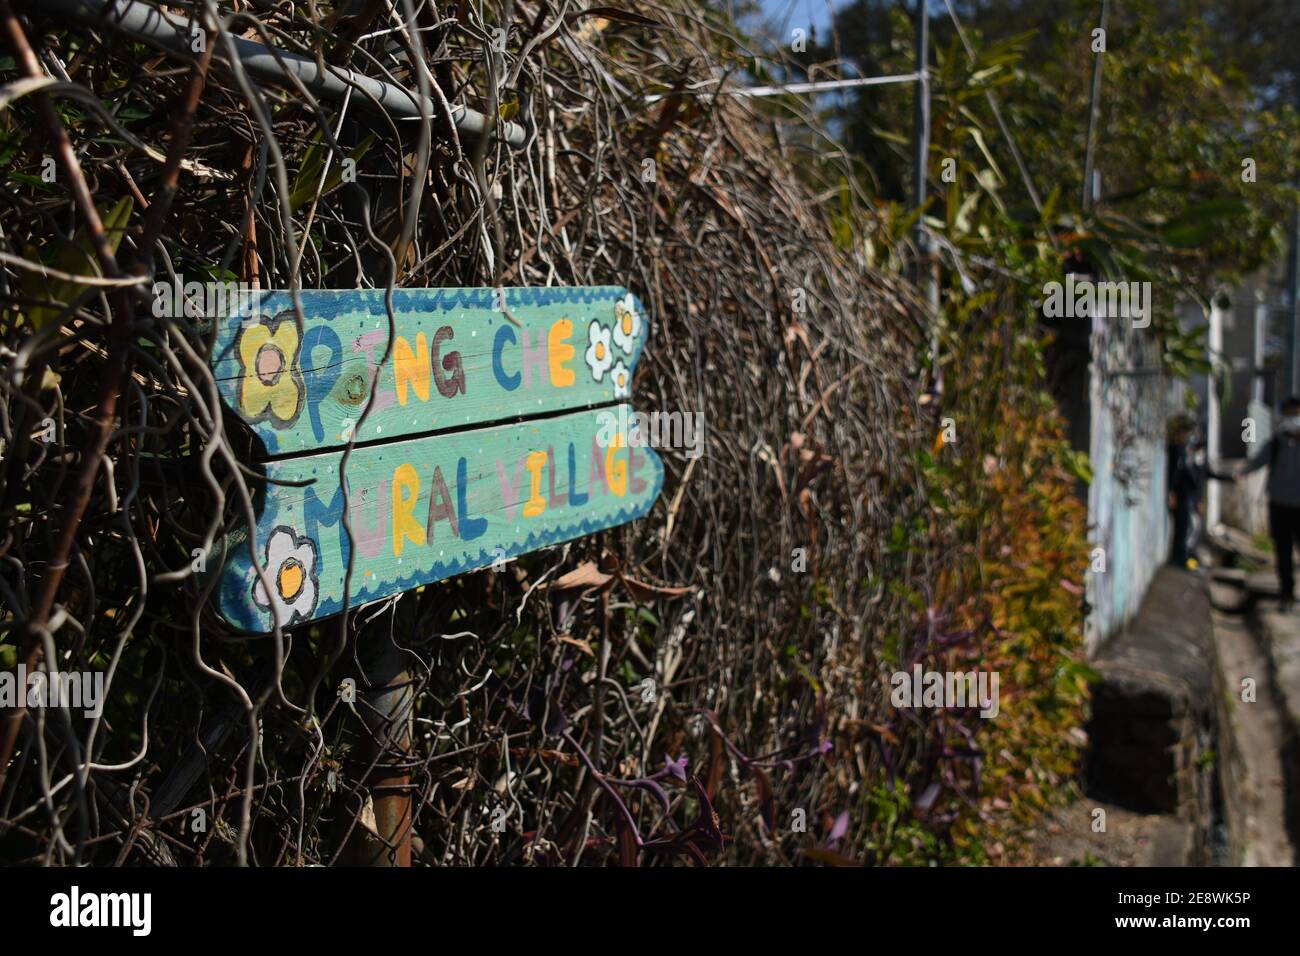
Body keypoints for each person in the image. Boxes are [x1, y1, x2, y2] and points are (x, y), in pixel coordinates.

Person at [1242, 396, 1300, 611]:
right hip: (1279, 504)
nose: (1294, 418)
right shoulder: (1277, 440)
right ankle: (1286, 595)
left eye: (1297, 413)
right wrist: (1242, 473)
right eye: (1291, 414)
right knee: (1283, 552)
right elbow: (1259, 460)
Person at [1167, 418, 1232, 567]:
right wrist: (1172, 492)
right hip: (1183, 497)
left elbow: (1204, 477)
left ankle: (1185, 557)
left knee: (1192, 528)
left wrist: (1199, 501)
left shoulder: (1197, 458)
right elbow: (1177, 475)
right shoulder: (1182, 452)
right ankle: (1180, 559)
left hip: (1192, 498)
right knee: (1184, 528)